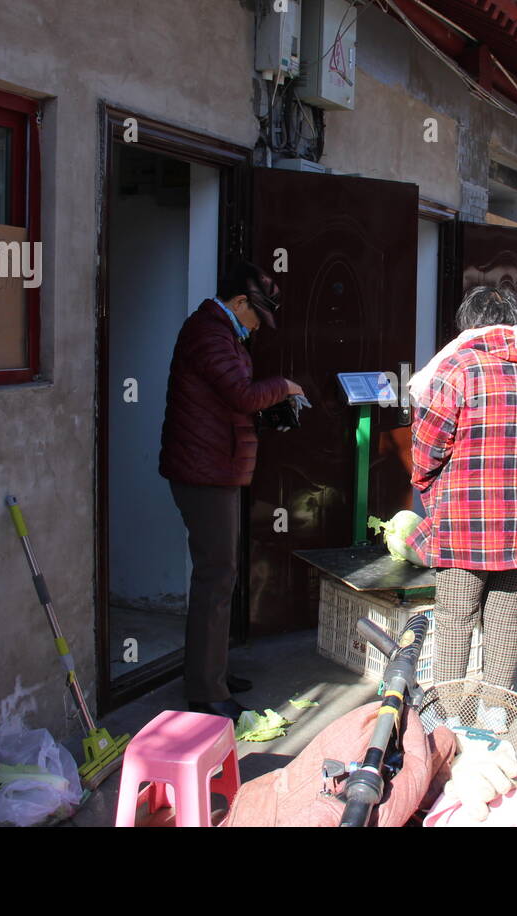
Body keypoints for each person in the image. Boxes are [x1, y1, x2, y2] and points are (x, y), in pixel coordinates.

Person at [159, 260, 304, 721]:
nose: (260, 323)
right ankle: (205, 691)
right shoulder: (209, 332)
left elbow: (229, 399)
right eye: (257, 313)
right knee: (216, 578)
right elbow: (241, 394)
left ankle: (212, 674)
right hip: (205, 473)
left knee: (221, 576)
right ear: (239, 302)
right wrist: (283, 386)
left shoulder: (222, 332)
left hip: (216, 469)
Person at [406, 286, 517, 690]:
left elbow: (426, 448)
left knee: (456, 619)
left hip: (464, 522)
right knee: (505, 618)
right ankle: (496, 713)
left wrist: (431, 492)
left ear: (468, 325)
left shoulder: (457, 369)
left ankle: (449, 715)